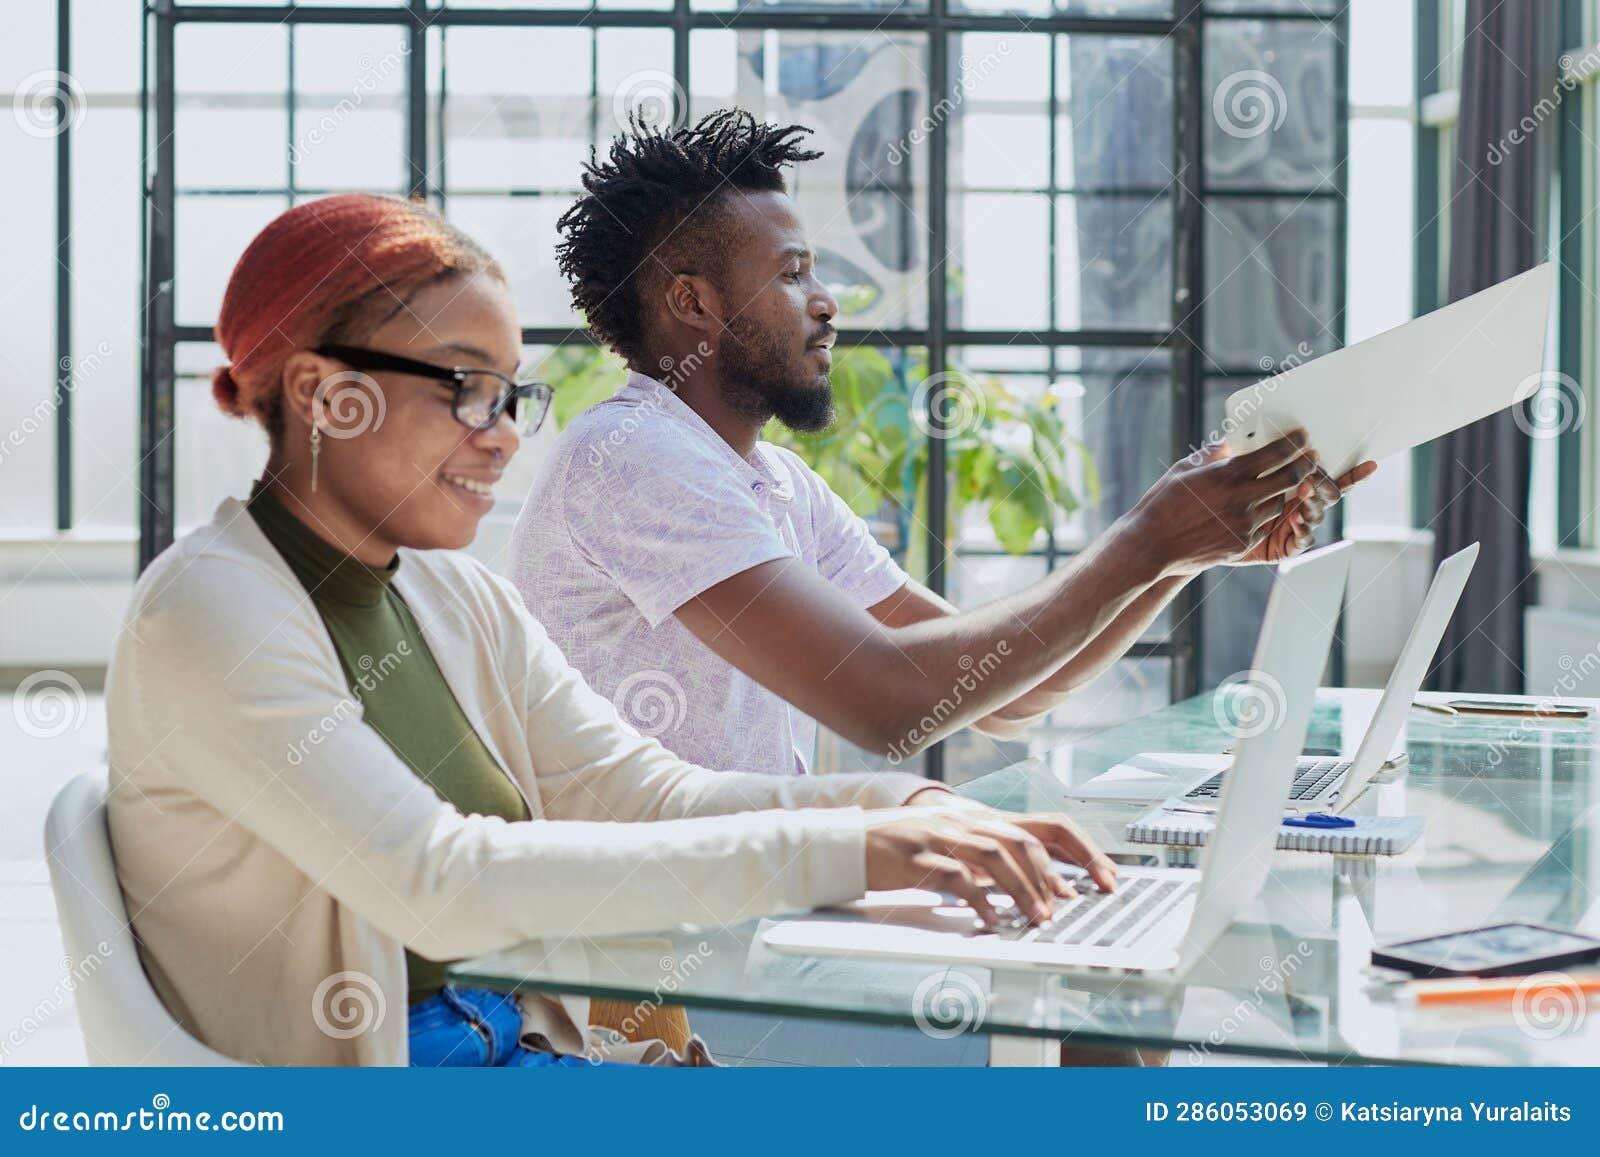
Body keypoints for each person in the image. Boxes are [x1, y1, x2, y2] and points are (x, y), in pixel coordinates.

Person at [104, 193, 1116, 1069]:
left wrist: (903, 803)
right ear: (327, 392)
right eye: (463, 385)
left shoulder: (458, 601)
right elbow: (440, 882)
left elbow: (648, 794)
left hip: (524, 1057)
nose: (500, 433)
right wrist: (856, 845)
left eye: (510, 393)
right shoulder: (210, 610)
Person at [510, 110, 1378, 779]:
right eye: (790, 272)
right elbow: (891, 704)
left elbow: (1011, 697)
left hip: (733, 919)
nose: (825, 301)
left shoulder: (777, 484)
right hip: (640, 965)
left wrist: (1182, 553)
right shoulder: (631, 456)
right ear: (692, 304)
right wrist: (1150, 536)